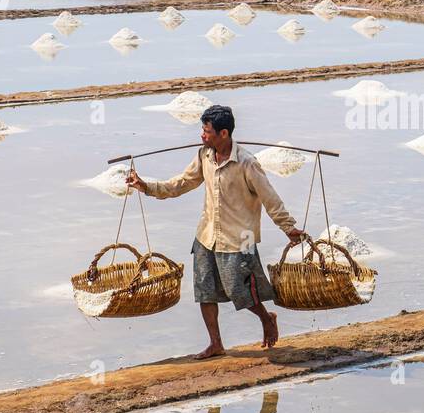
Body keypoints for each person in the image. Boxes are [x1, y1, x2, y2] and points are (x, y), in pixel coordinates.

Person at [125, 105, 305, 359]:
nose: (202, 135)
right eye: (202, 129)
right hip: (207, 234)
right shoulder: (204, 156)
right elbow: (182, 183)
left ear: (223, 133)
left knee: (239, 291)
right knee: (204, 289)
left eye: (207, 131)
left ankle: (267, 319)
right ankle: (215, 343)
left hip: (238, 238)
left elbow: (270, 198)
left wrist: (288, 227)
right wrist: (146, 186)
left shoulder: (247, 163)